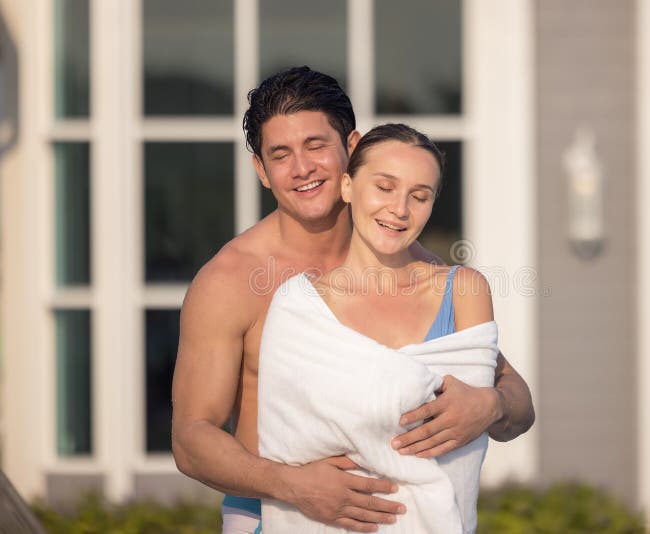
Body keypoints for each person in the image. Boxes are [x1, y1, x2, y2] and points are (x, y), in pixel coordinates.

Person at [171, 67, 535, 534]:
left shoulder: (407, 259)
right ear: (261, 171)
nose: (302, 168)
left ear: (353, 147)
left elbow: (514, 398)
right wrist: (294, 486)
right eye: (281, 154)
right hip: (272, 517)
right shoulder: (231, 281)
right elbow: (190, 439)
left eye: (316, 146)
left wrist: (492, 407)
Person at [258, 123, 503, 533]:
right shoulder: (298, 307)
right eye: (384, 187)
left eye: (419, 196)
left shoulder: (464, 290)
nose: (400, 209)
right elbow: (290, 443)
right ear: (348, 187)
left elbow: (464, 448)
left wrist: (492, 403)